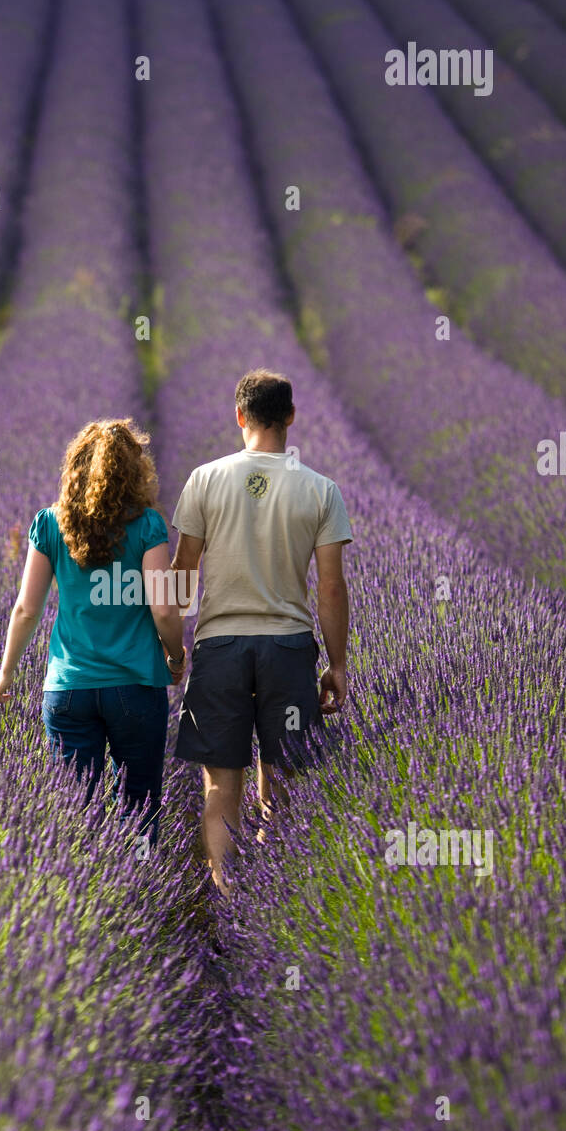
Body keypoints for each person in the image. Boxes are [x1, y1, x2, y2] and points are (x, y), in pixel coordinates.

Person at [171, 369, 353, 894]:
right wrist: (337, 665)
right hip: (288, 649)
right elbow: (331, 588)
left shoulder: (205, 479)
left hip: (219, 649)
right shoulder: (320, 489)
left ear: (239, 417)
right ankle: (275, 897)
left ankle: (229, 896)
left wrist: (174, 645)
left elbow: (184, 567)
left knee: (219, 788)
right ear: (291, 416)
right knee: (282, 782)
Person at [0, 419, 185, 843]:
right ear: (135, 471)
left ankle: (95, 896)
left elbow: (26, 608)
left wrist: (6, 671)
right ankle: (140, 893)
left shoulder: (50, 524)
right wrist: (175, 657)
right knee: (139, 808)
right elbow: (165, 609)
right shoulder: (148, 526)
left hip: (68, 690)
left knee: (80, 815)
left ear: (75, 468)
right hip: (134, 685)